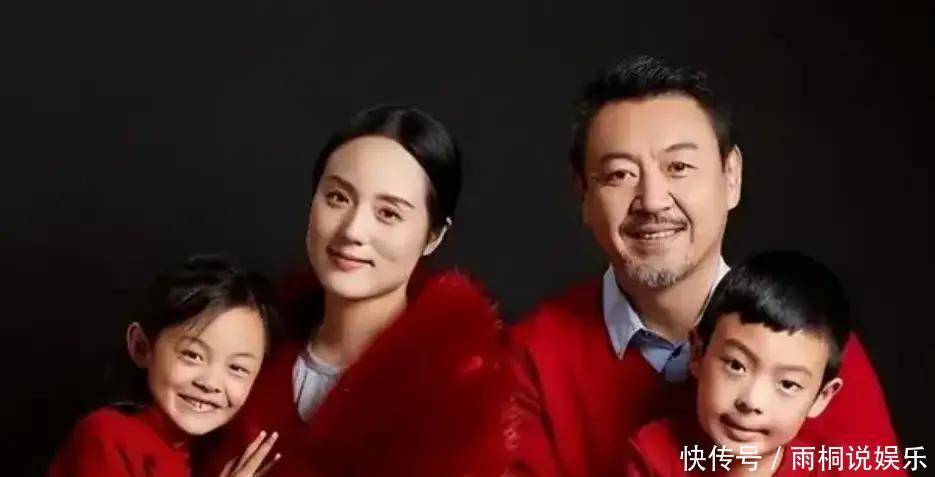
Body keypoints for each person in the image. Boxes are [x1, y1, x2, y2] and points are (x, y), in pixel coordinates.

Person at [505, 55, 903, 477]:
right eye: (620, 174)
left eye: (678, 167)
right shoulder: (531, 355)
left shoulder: (810, 339)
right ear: (584, 195)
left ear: (731, 176)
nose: (652, 201)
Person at [195, 105, 513, 477]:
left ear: (433, 236)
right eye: (337, 198)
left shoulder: (461, 392)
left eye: (388, 213)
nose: (352, 230)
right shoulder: (248, 347)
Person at [48, 255, 281, 477]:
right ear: (141, 347)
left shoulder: (203, 455)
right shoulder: (106, 435)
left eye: (237, 368)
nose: (210, 383)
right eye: (192, 355)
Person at [625, 250, 852, 476]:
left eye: (787, 384)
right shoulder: (655, 453)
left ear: (822, 396)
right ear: (697, 353)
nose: (752, 401)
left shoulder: (828, 469)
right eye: (736, 365)